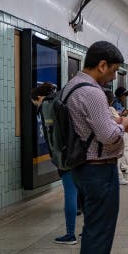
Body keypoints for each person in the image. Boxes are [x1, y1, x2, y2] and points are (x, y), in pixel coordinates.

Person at [63, 41, 128, 254]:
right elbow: (107, 135)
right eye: (114, 70)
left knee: (93, 230)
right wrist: (125, 125)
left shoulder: (71, 86)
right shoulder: (93, 93)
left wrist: (113, 122)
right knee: (100, 233)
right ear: (102, 65)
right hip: (98, 169)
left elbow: (97, 126)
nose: (113, 76)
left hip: (84, 168)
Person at [32, 82, 79, 245]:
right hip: (77, 153)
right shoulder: (62, 99)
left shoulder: (47, 105)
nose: (35, 106)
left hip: (66, 157)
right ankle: (86, 231)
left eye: (34, 103)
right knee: (81, 193)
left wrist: (58, 159)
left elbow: (53, 138)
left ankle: (70, 234)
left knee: (70, 193)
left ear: (38, 97)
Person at [106, 90, 128, 186]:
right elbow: (119, 120)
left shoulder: (104, 109)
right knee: (117, 158)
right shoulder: (110, 108)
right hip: (115, 136)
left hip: (108, 138)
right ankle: (118, 177)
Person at [113, 87, 128, 173]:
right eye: (124, 95)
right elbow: (118, 114)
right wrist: (124, 113)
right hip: (119, 127)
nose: (125, 97)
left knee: (126, 147)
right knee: (123, 147)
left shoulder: (119, 102)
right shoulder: (115, 102)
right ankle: (124, 167)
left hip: (123, 126)